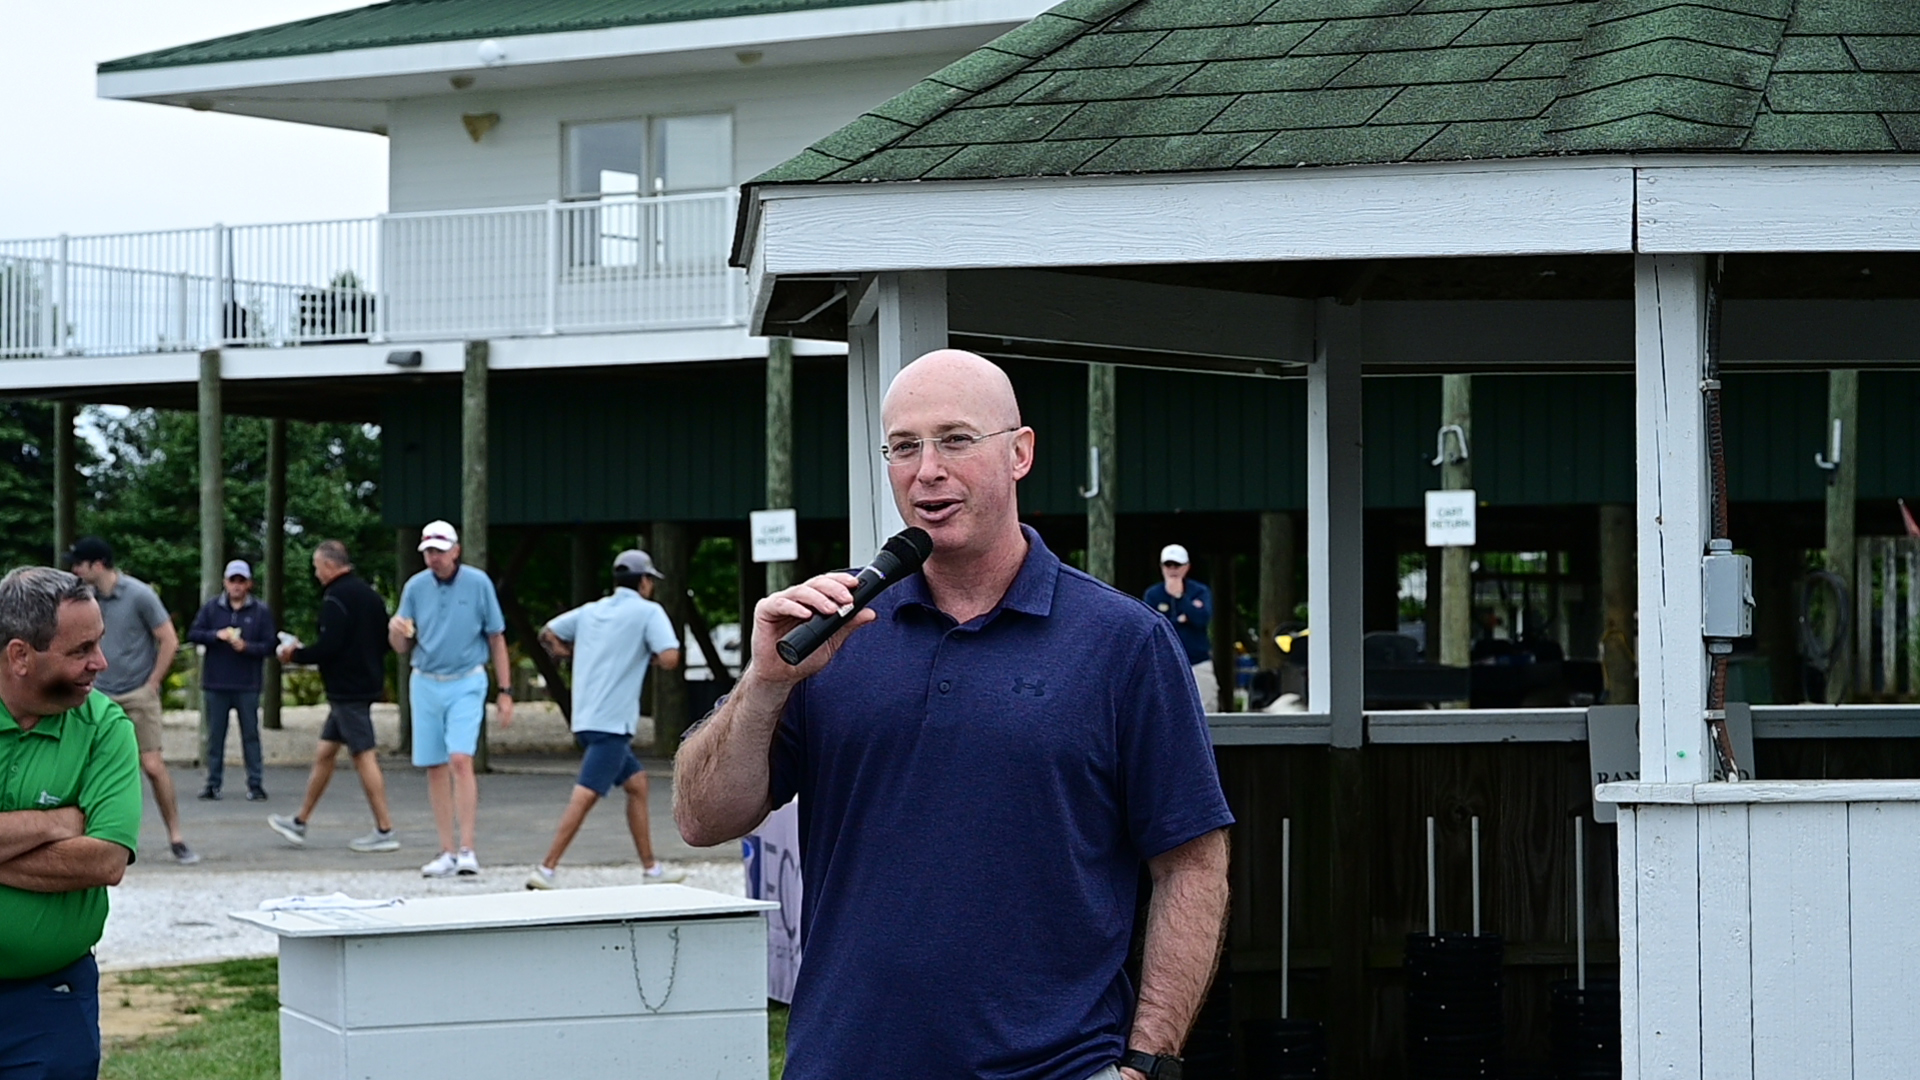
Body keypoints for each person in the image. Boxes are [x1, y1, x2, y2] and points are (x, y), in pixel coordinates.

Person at [675, 350, 1233, 1080]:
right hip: (843, 1062)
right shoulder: (835, 629)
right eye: (904, 447)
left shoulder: (1124, 644)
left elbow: (1193, 863)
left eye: (955, 439)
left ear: (1020, 453)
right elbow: (700, 818)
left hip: (1054, 1067)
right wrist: (765, 683)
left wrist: (1145, 1062)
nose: (927, 469)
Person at [0, 567, 140, 1080]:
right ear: (20, 655)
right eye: (81, 650)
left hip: (50, 1003)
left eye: (98, 644)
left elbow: (105, 860)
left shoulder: (105, 728)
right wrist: (54, 823)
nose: (100, 663)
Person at [527, 549, 687, 891]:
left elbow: (548, 632)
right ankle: (546, 868)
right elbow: (671, 656)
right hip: (614, 721)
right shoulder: (648, 612)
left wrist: (566, 651)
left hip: (586, 716)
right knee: (585, 794)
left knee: (637, 784)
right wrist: (650, 656)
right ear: (644, 582)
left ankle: (651, 868)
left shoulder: (591, 611)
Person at [390, 521, 512, 878]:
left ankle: (467, 848)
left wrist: (505, 691)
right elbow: (402, 645)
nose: (434, 558)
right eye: (429, 551)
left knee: (461, 758)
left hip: (466, 679)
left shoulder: (478, 583)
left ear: (456, 550)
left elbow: (496, 637)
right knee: (434, 764)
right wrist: (395, 631)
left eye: (440, 551)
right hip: (425, 679)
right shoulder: (415, 587)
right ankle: (445, 850)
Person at [65, 537, 197, 865]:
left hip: (137, 693)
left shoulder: (140, 594)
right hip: (96, 694)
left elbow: (168, 639)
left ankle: (176, 837)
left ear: (97, 565)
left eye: (78, 564)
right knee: (84, 768)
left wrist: (153, 682)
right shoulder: (86, 599)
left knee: (152, 766)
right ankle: (93, 840)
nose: (74, 570)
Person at [268, 541, 399, 854]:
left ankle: (385, 829)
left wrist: (294, 654)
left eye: (316, 567)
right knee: (325, 752)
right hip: (364, 682)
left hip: (347, 690)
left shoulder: (335, 598)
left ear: (329, 565)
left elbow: (330, 646)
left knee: (363, 754)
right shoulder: (370, 596)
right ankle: (300, 821)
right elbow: (384, 642)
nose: (315, 573)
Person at [185, 559, 275, 802]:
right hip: (216, 683)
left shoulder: (260, 611)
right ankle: (213, 783)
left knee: (251, 735)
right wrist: (216, 635)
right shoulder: (212, 608)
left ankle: (255, 783)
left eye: (241, 581)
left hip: (247, 683)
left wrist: (247, 647)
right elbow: (194, 633)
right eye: (232, 580)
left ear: (249, 584)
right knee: (216, 736)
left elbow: (270, 645)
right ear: (225, 582)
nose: (236, 585)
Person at [1143, 544, 1217, 710]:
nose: (1173, 570)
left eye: (1177, 565)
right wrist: (1182, 619)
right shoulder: (1153, 595)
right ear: (1162, 567)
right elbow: (1153, 628)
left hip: (1197, 662)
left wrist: (1180, 597)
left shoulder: (1199, 591)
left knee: (1207, 708)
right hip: (1163, 663)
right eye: (1168, 565)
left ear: (1187, 567)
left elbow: (1202, 619)